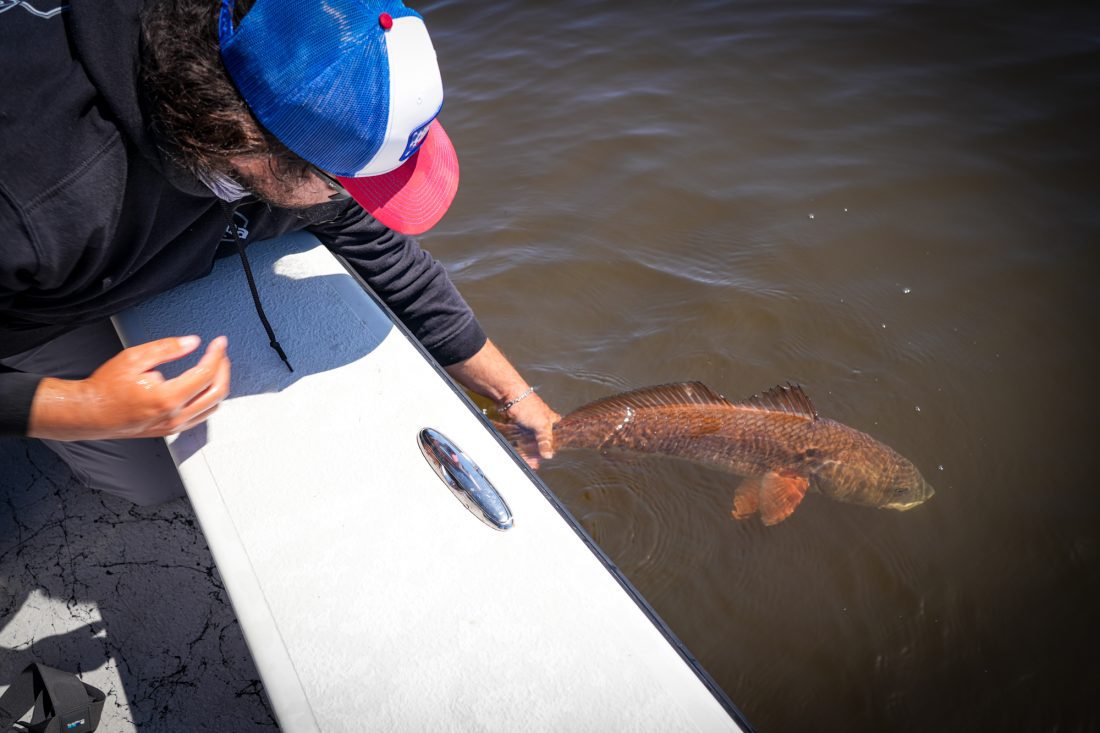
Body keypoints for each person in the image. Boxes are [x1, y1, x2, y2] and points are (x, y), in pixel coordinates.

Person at [0, 0, 559, 505]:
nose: (357, 202)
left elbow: (389, 260)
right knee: (169, 480)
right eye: (348, 182)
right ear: (248, 147)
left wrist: (516, 395)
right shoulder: (42, 202)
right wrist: (88, 407)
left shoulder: (274, 62)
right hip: (33, 297)